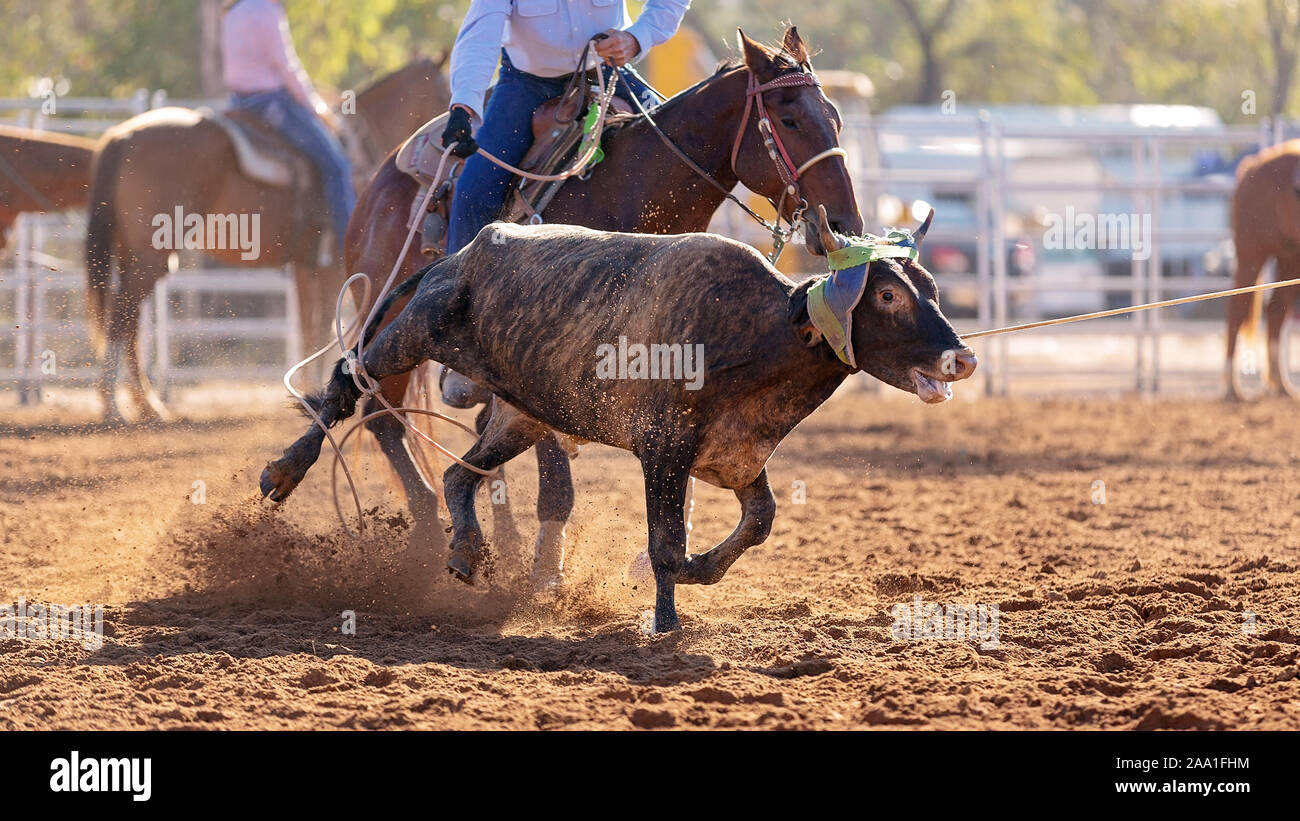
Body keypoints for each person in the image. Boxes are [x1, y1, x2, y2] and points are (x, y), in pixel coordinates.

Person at [441, 0, 690, 254]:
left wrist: (637, 38)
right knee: (474, 192)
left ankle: (688, 272)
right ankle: (458, 288)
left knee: (679, 154)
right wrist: (463, 106)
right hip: (527, 84)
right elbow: (481, 33)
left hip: (608, 70)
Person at [221, 0, 355, 258]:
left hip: (237, 102)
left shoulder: (233, 11)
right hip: (270, 103)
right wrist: (317, 109)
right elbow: (287, 67)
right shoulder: (268, 11)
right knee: (338, 166)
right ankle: (349, 249)